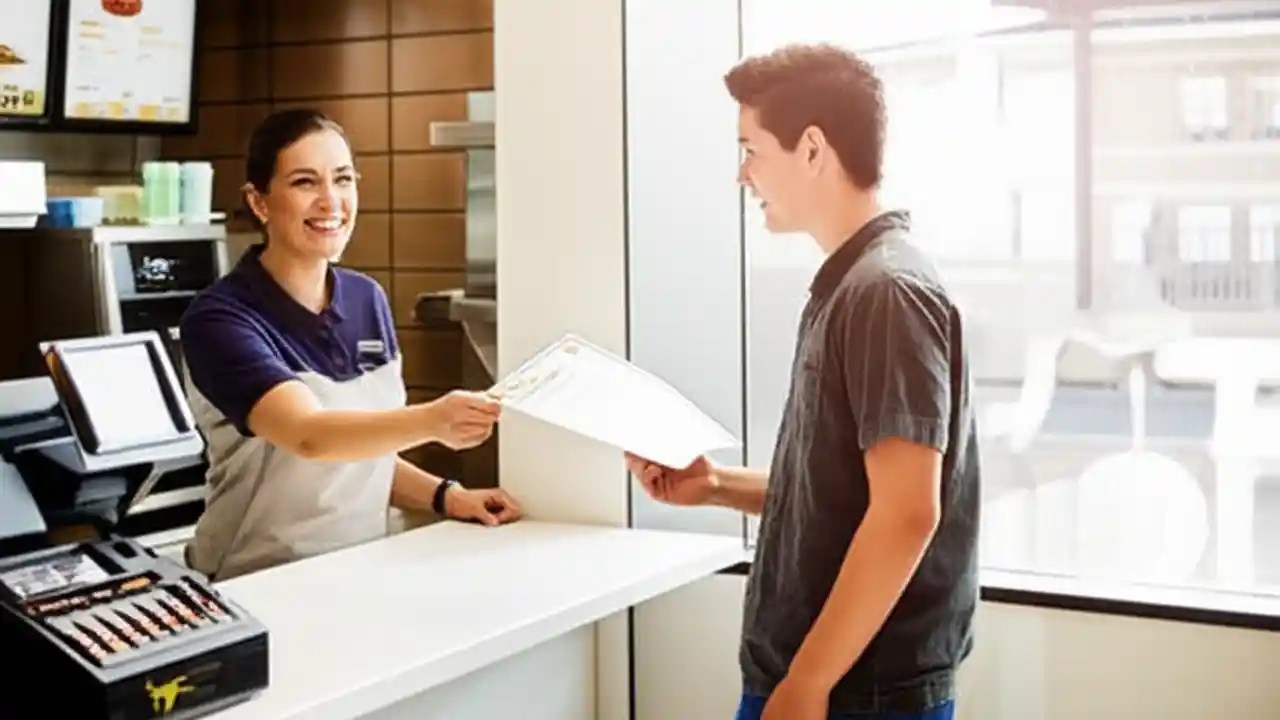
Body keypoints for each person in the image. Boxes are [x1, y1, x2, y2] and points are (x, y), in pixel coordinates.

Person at [626, 44, 979, 720]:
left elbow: (908, 512)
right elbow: (848, 496)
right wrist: (716, 486)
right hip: (832, 683)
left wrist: (810, 681)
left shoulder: (885, 292)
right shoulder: (856, 283)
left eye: (751, 149)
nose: (741, 175)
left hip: (854, 694)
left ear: (812, 149)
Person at [180, 109, 522, 581]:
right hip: (255, 580)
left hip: (356, 568)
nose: (331, 201)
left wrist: (448, 496)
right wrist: (433, 420)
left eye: (343, 179)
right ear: (259, 202)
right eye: (305, 182)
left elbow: (359, 457)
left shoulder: (366, 298)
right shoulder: (221, 319)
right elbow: (310, 436)